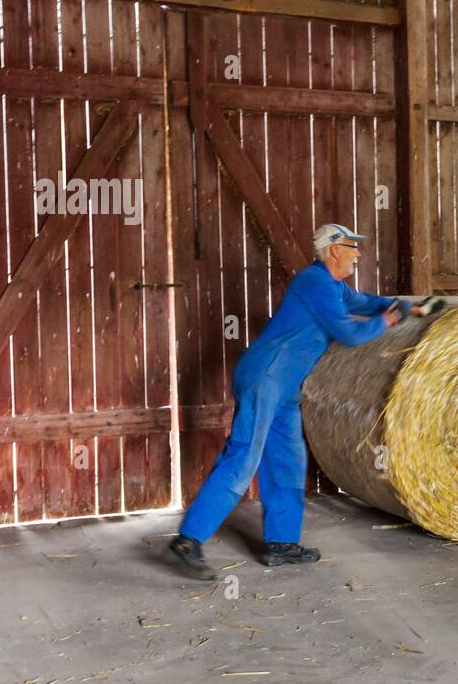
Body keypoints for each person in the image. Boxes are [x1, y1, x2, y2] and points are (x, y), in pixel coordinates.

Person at [167, 223, 418, 580]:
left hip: (284, 386)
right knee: (244, 455)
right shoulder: (313, 282)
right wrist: (389, 320)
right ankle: (188, 540)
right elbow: (349, 333)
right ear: (333, 250)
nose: (357, 253)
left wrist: (403, 306)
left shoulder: (333, 288)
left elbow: (364, 302)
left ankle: (280, 544)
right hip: (264, 376)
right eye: (352, 247)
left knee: (287, 457)